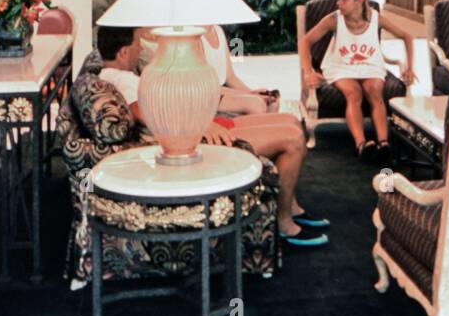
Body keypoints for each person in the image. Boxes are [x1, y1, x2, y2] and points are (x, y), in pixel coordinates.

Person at [96, 25, 329, 249]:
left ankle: (292, 208)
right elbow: (145, 112)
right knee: (292, 138)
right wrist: (201, 126)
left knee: (290, 121)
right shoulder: (121, 80)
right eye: (138, 44)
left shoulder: (119, 75)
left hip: (198, 125)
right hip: (194, 136)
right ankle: (284, 224)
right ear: (124, 51)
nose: (141, 49)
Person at [298, 0, 415, 164]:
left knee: (375, 93)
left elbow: (407, 36)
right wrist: (308, 71)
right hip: (341, 66)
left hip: (370, 65)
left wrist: (410, 67)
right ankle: (362, 145)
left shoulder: (376, 18)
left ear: (359, 0)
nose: (339, 3)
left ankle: (383, 144)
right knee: (354, 93)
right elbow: (305, 41)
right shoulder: (334, 19)